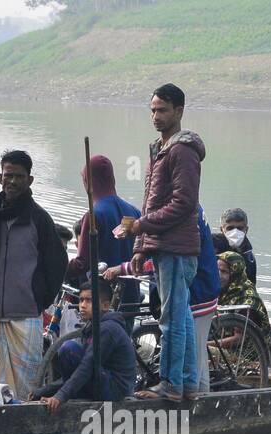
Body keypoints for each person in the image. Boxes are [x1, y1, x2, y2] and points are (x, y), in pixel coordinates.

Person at [116, 83, 205, 402]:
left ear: (179, 111)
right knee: (179, 317)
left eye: (162, 110)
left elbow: (184, 203)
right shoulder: (159, 148)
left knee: (172, 319)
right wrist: (140, 244)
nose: (155, 116)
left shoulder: (182, 151)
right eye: (152, 110)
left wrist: (142, 226)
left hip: (178, 248)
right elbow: (150, 200)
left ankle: (171, 384)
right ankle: (188, 385)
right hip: (164, 245)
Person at [0, 149, 67, 400]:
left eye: (19, 176)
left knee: (27, 384)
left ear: (29, 180)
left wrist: (39, 298)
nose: (13, 182)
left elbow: (58, 262)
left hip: (28, 315)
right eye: (8, 176)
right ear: (0, 178)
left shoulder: (38, 218)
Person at [31, 279, 136, 409]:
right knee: (66, 351)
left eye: (89, 300)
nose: (83, 305)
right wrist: (44, 391)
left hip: (115, 391)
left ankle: (75, 394)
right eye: (81, 300)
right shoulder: (92, 326)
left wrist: (60, 396)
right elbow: (79, 370)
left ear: (105, 305)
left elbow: (87, 366)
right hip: (102, 380)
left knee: (69, 349)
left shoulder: (108, 329)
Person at [66, 155, 140, 290]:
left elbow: (82, 264)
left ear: (87, 182)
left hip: (104, 297)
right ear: (112, 179)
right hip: (132, 293)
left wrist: (54, 267)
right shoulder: (135, 212)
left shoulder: (93, 215)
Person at [216, 208, 257, 282]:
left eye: (239, 228)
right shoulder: (211, 249)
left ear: (246, 230)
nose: (235, 232)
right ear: (222, 230)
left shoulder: (249, 257)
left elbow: (251, 283)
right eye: (230, 228)